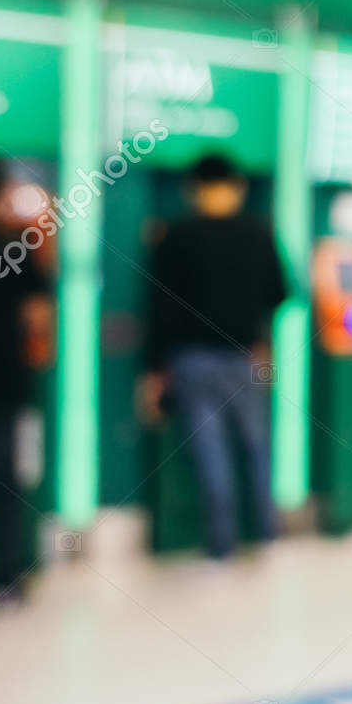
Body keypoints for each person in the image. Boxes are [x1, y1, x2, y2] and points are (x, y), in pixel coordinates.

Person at [140, 153, 287, 558]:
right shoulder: (259, 232)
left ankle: (220, 546)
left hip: (192, 360)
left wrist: (152, 372)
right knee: (256, 447)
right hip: (245, 357)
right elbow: (280, 293)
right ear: (236, 186)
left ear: (193, 189)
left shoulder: (174, 235)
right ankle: (267, 535)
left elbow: (159, 309)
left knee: (210, 451)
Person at [0, 158, 54, 604]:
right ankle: (6, 577)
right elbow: (38, 317)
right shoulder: (15, 248)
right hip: (4, 378)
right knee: (5, 479)